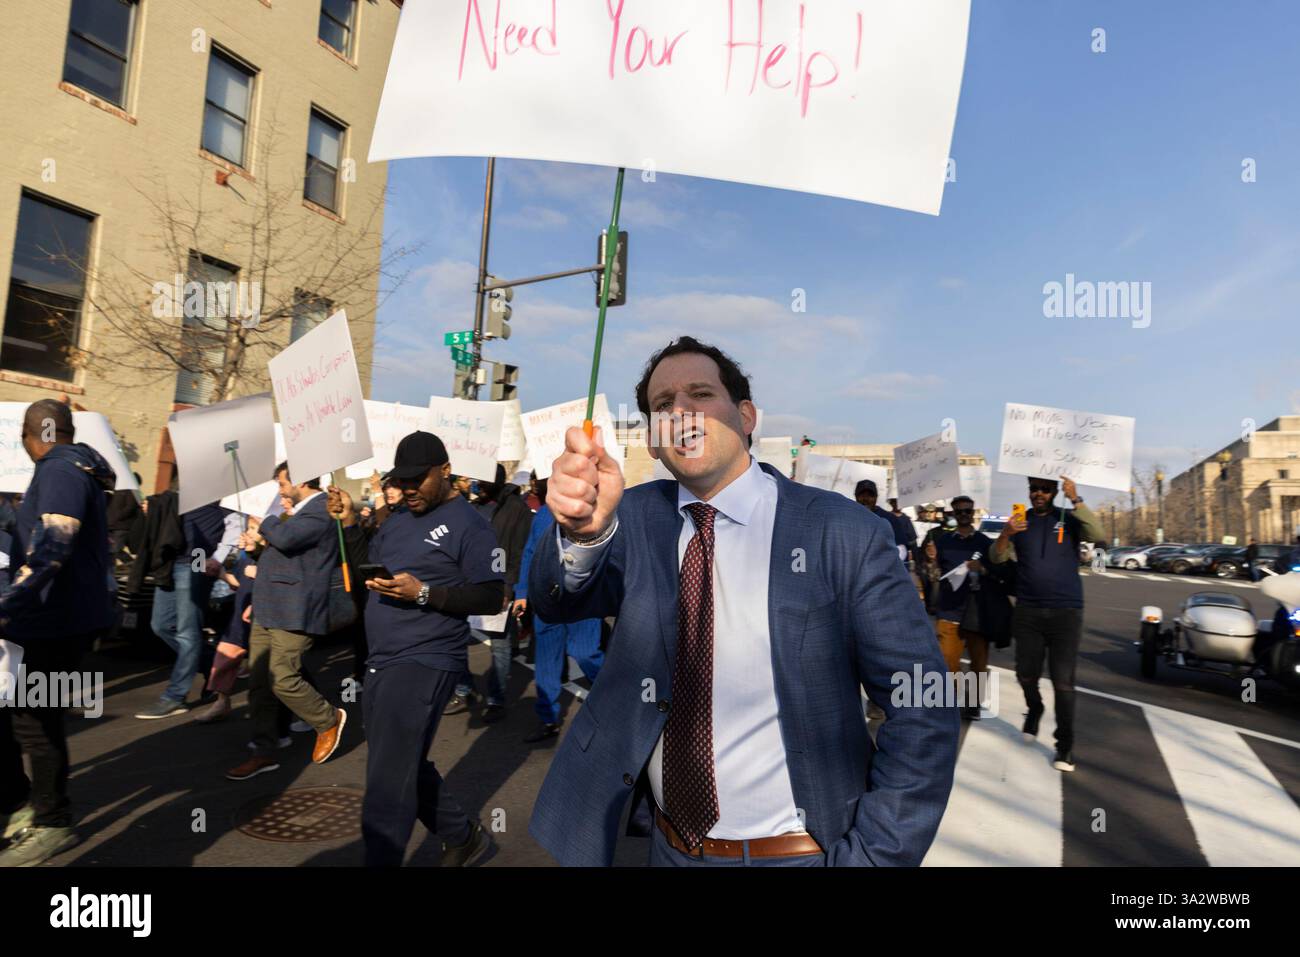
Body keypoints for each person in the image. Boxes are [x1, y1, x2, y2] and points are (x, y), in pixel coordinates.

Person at [528, 336, 957, 867]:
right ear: (655, 440)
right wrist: (581, 534)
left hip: (800, 853)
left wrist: (874, 857)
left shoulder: (843, 533)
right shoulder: (632, 516)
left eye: (700, 394)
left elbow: (923, 703)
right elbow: (555, 601)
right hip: (665, 848)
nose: (681, 412)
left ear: (746, 416)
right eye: (663, 406)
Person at [328, 431, 499, 867]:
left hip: (426, 658)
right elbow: (366, 567)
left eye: (416, 480)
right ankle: (462, 836)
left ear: (444, 471)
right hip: (381, 659)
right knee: (400, 760)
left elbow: (491, 597)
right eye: (400, 481)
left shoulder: (472, 526)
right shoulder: (397, 519)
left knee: (386, 779)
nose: (406, 490)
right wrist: (349, 524)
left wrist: (424, 593)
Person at [0, 400, 115, 867]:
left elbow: (51, 551)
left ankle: (53, 822)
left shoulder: (60, 471)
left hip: (55, 623)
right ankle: (40, 805)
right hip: (59, 620)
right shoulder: (69, 468)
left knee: (36, 722)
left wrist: (7, 605)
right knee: (30, 718)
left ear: (33, 436)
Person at [224, 463, 346, 781]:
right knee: (260, 684)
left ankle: (328, 718)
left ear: (301, 480)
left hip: (295, 610)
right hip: (268, 607)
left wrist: (261, 522)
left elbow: (289, 539)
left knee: (283, 678)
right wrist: (256, 548)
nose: (279, 490)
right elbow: (286, 553)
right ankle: (264, 750)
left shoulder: (320, 508)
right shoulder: (295, 512)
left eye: (281, 483)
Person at [990, 476, 1106, 773]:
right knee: (1026, 674)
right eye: (1033, 489)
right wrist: (1006, 533)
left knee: (1063, 682)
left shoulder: (1068, 518)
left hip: (1066, 611)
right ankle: (1035, 707)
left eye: (1044, 489)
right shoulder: (1020, 520)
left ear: (1054, 492)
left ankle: (1064, 745)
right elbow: (997, 557)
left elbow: (1098, 534)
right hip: (1028, 610)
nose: (1038, 494)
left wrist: (1076, 498)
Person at [513, 477, 604, 743]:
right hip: (547, 601)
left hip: (582, 601)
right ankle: (548, 718)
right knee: (547, 663)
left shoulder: (595, 511)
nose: (532, 485)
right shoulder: (541, 515)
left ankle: (615, 701)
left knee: (586, 653)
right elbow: (529, 553)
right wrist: (522, 594)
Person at [132, 486, 232, 720]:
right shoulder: (183, 488)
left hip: (197, 559)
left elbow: (235, 525)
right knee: (161, 625)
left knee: (188, 630)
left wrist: (217, 558)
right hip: (170, 559)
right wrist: (154, 508)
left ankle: (175, 697)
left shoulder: (222, 492)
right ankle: (214, 666)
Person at [448, 465, 532, 721]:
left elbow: (519, 550)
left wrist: (510, 587)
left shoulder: (516, 508)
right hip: (468, 585)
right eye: (475, 482)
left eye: (482, 482)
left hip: (499, 586)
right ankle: (464, 689)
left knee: (500, 646)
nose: (477, 486)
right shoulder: (471, 508)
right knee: (455, 639)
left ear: (495, 481)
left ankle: (496, 698)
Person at [925, 495, 994, 718]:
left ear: (973, 512)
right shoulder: (942, 542)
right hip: (949, 610)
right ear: (953, 514)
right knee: (947, 662)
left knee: (979, 663)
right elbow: (934, 577)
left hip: (977, 611)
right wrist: (932, 560)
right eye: (959, 511)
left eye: (968, 511)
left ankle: (973, 703)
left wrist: (982, 569)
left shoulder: (985, 543)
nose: (964, 515)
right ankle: (951, 701)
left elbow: (997, 574)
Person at [854, 479, 909, 562]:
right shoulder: (847, 518)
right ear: (855, 496)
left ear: (876, 497)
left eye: (870, 495)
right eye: (862, 495)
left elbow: (901, 549)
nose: (866, 499)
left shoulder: (890, 519)